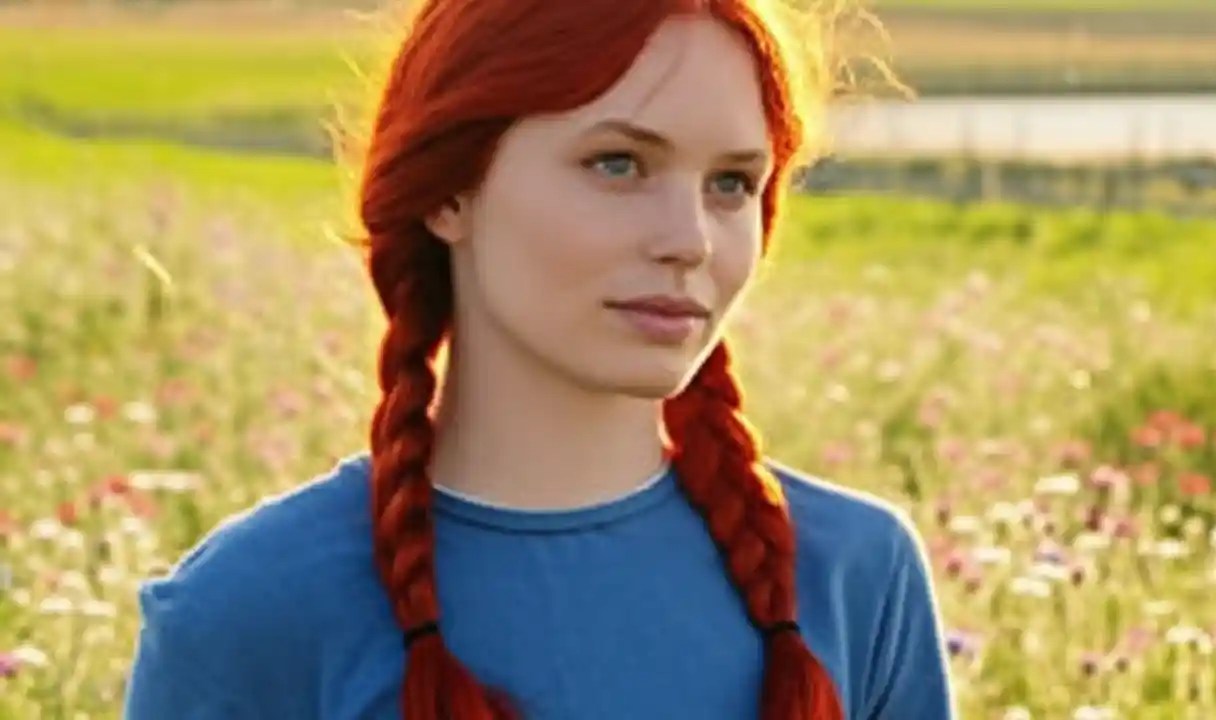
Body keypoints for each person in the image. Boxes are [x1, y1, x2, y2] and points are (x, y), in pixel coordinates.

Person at [121, 0, 955, 718]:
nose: (690, 240)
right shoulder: (251, 611)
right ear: (451, 190)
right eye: (619, 164)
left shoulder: (854, 577)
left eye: (732, 183)